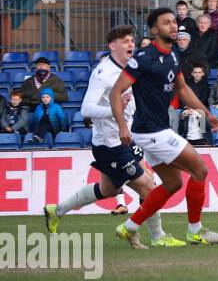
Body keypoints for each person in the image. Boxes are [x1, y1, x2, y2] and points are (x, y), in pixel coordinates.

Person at [44, 25, 185, 245]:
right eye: (125, 41)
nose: (131, 44)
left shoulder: (133, 67)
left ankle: (57, 210)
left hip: (128, 138)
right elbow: (86, 110)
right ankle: (158, 236)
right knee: (149, 185)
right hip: (109, 144)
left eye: (132, 40)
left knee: (108, 189)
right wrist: (114, 109)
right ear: (112, 46)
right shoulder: (102, 73)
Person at [109, 9, 218, 247]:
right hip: (151, 131)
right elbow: (115, 92)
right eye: (166, 23)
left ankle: (129, 227)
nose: (173, 26)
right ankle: (195, 230)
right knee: (200, 170)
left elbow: (182, 89)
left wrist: (207, 114)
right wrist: (122, 127)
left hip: (156, 129)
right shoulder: (143, 58)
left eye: (174, 22)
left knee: (173, 184)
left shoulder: (172, 55)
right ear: (154, 30)